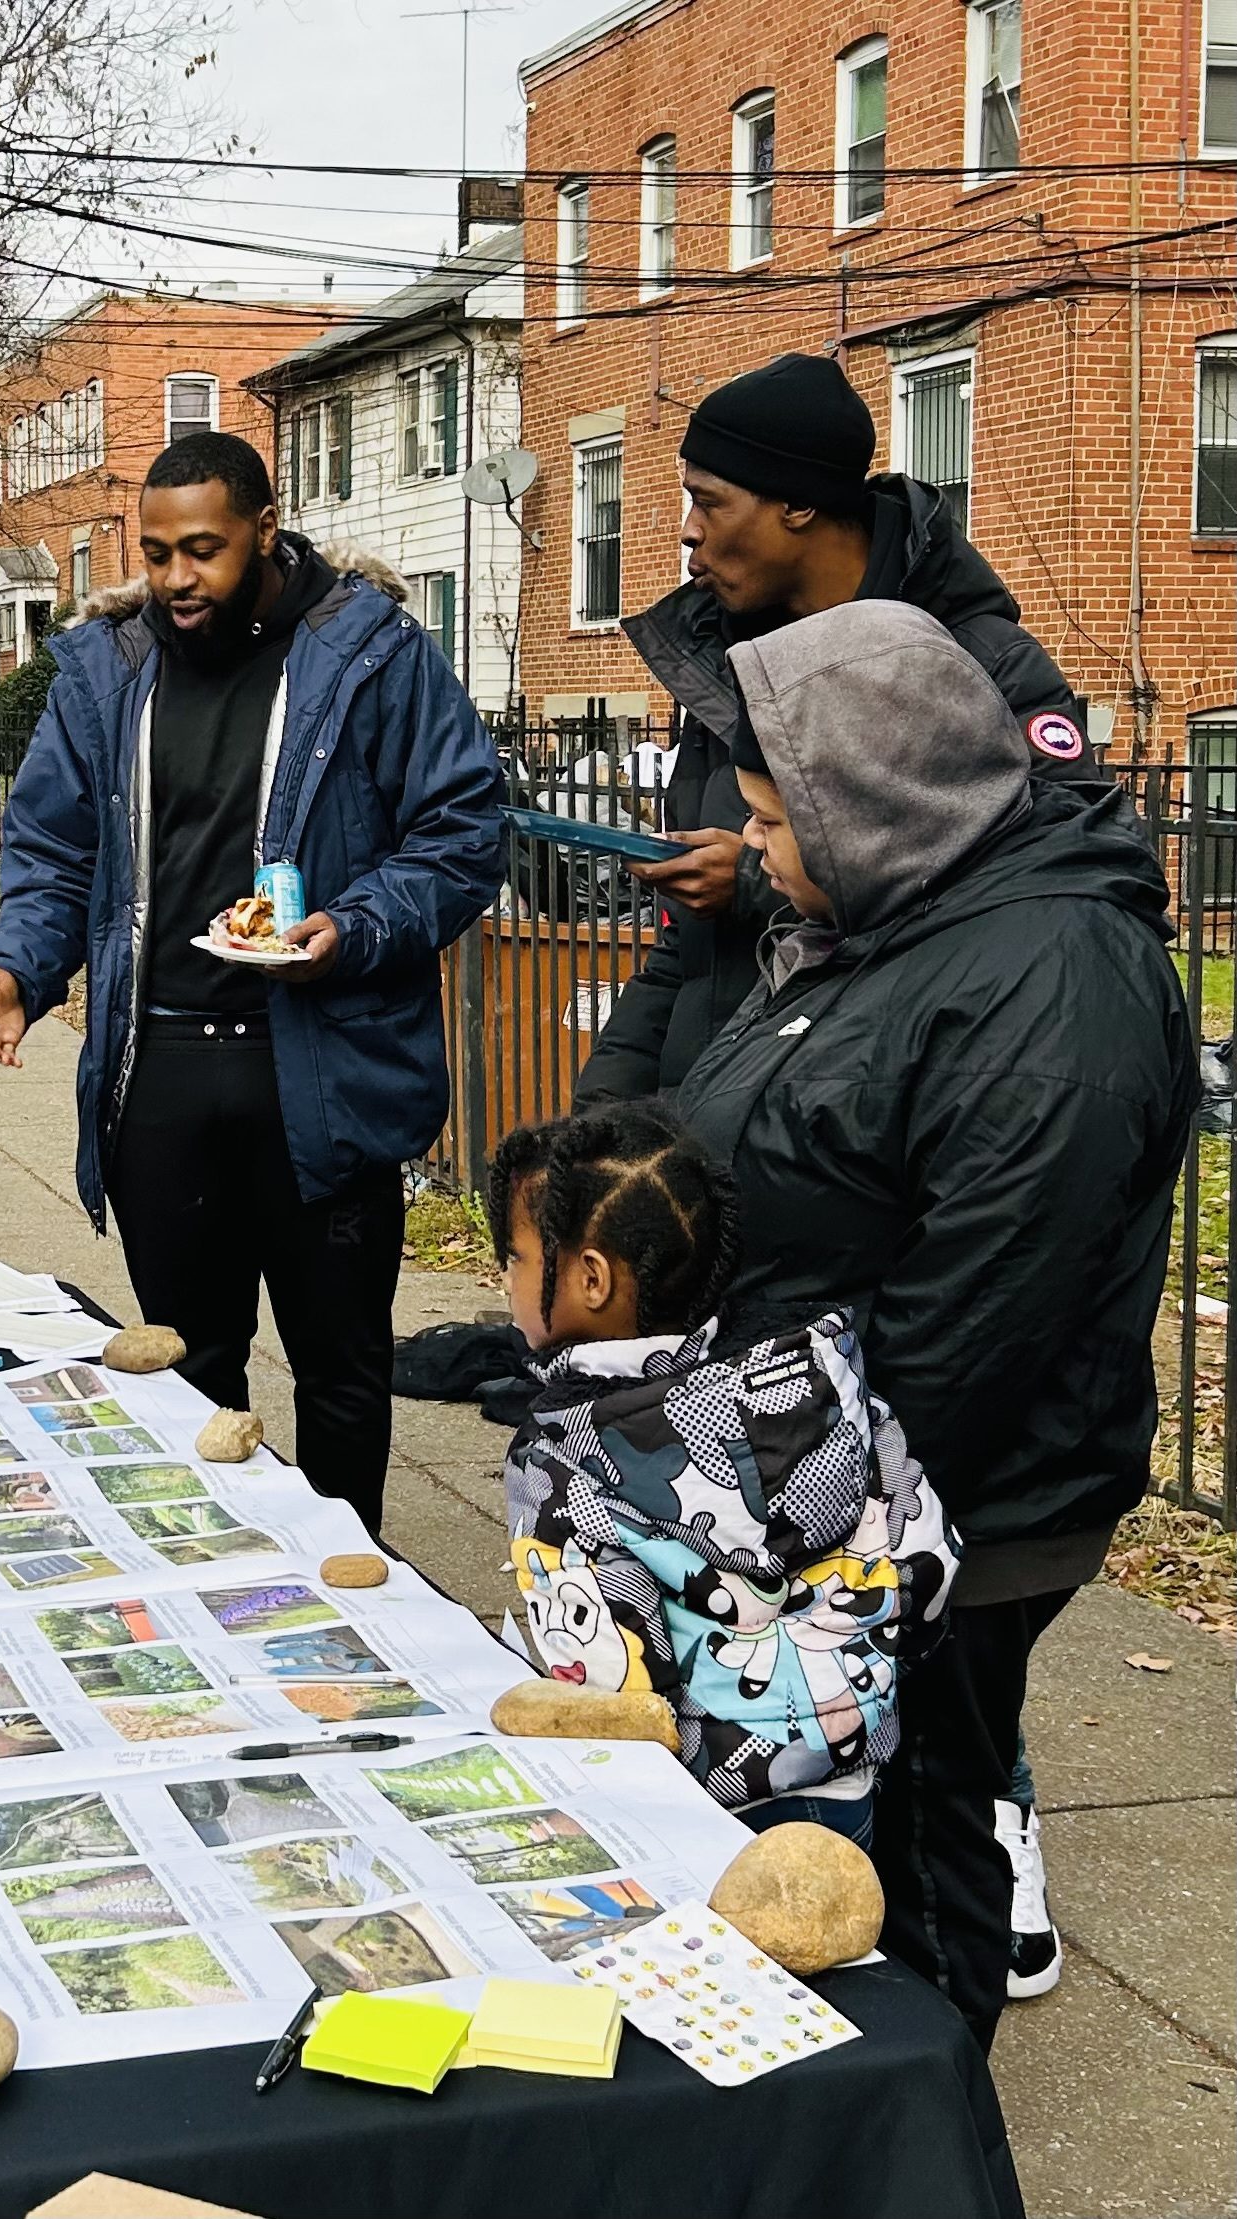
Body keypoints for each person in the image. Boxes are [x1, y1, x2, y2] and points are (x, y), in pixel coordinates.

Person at [670, 600, 1197, 2050]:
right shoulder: (902, 917)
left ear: (876, 802)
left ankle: (928, 2114)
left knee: (914, 1842)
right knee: (851, 1834)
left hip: (941, 1507)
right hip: (814, 1470)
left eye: (779, 820)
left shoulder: (1052, 982)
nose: (758, 849)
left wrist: (757, 1488)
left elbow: (974, 1317)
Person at [0, 432, 502, 1534]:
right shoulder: (106, 671)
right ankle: (225, 1579)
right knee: (190, 1371)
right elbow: (54, 852)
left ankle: (355, 1584)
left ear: (265, 527)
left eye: (202, 549)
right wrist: (22, 964)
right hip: (157, 1072)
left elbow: (461, 831)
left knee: (341, 1372)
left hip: (322, 1069)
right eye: (156, 553)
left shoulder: (372, 653)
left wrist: (351, 926)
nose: (176, 580)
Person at [575, 350, 1097, 1106]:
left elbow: (1042, 898)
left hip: (856, 1121)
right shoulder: (730, 664)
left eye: (708, 500)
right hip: (713, 1119)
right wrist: (600, 1123)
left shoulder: (975, 662)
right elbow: (686, 957)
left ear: (796, 504)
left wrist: (754, 879)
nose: (686, 532)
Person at [487, 1101, 957, 1846]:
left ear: (591, 1278)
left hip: (694, 1806)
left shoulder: (559, 1461)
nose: (502, 1275)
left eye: (513, 1255)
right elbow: (925, 1552)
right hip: (848, 1778)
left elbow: (610, 1683)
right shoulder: (822, 1381)